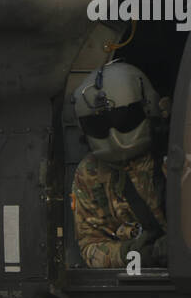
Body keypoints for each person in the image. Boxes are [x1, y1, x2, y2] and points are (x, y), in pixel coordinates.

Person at [71, 61, 168, 268]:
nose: (114, 135)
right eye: (99, 125)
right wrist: (135, 253)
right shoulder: (91, 173)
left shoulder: (181, 152)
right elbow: (91, 246)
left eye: (124, 118)